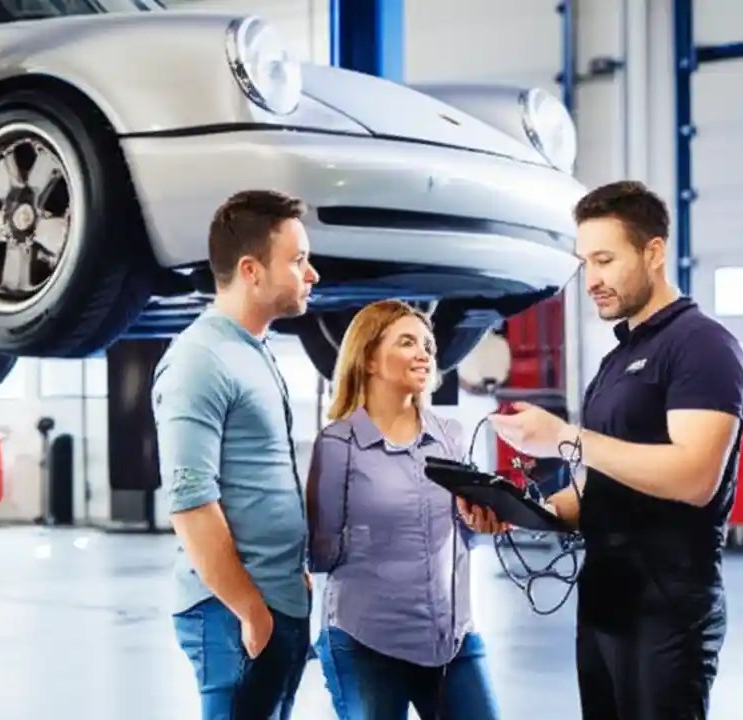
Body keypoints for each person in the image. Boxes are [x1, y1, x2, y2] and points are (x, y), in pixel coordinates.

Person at [479, 180, 743, 720]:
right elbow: (595, 486)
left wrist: (564, 437)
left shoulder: (702, 346)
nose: (592, 280)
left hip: (667, 609)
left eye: (605, 259)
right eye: (586, 262)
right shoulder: (615, 361)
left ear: (653, 252)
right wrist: (519, 511)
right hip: (605, 601)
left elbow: (696, 478)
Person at [151, 189, 321, 719]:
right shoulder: (200, 360)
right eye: (297, 261)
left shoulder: (252, 350)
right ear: (251, 270)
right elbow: (191, 503)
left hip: (277, 599)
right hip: (234, 614)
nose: (311, 274)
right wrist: (250, 609)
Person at [306, 299, 502, 720]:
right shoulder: (338, 444)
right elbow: (322, 552)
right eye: (408, 342)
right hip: (366, 642)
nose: (424, 353)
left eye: (428, 345)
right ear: (370, 359)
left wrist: (478, 522)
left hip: (451, 639)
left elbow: (466, 533)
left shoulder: (451, 435)